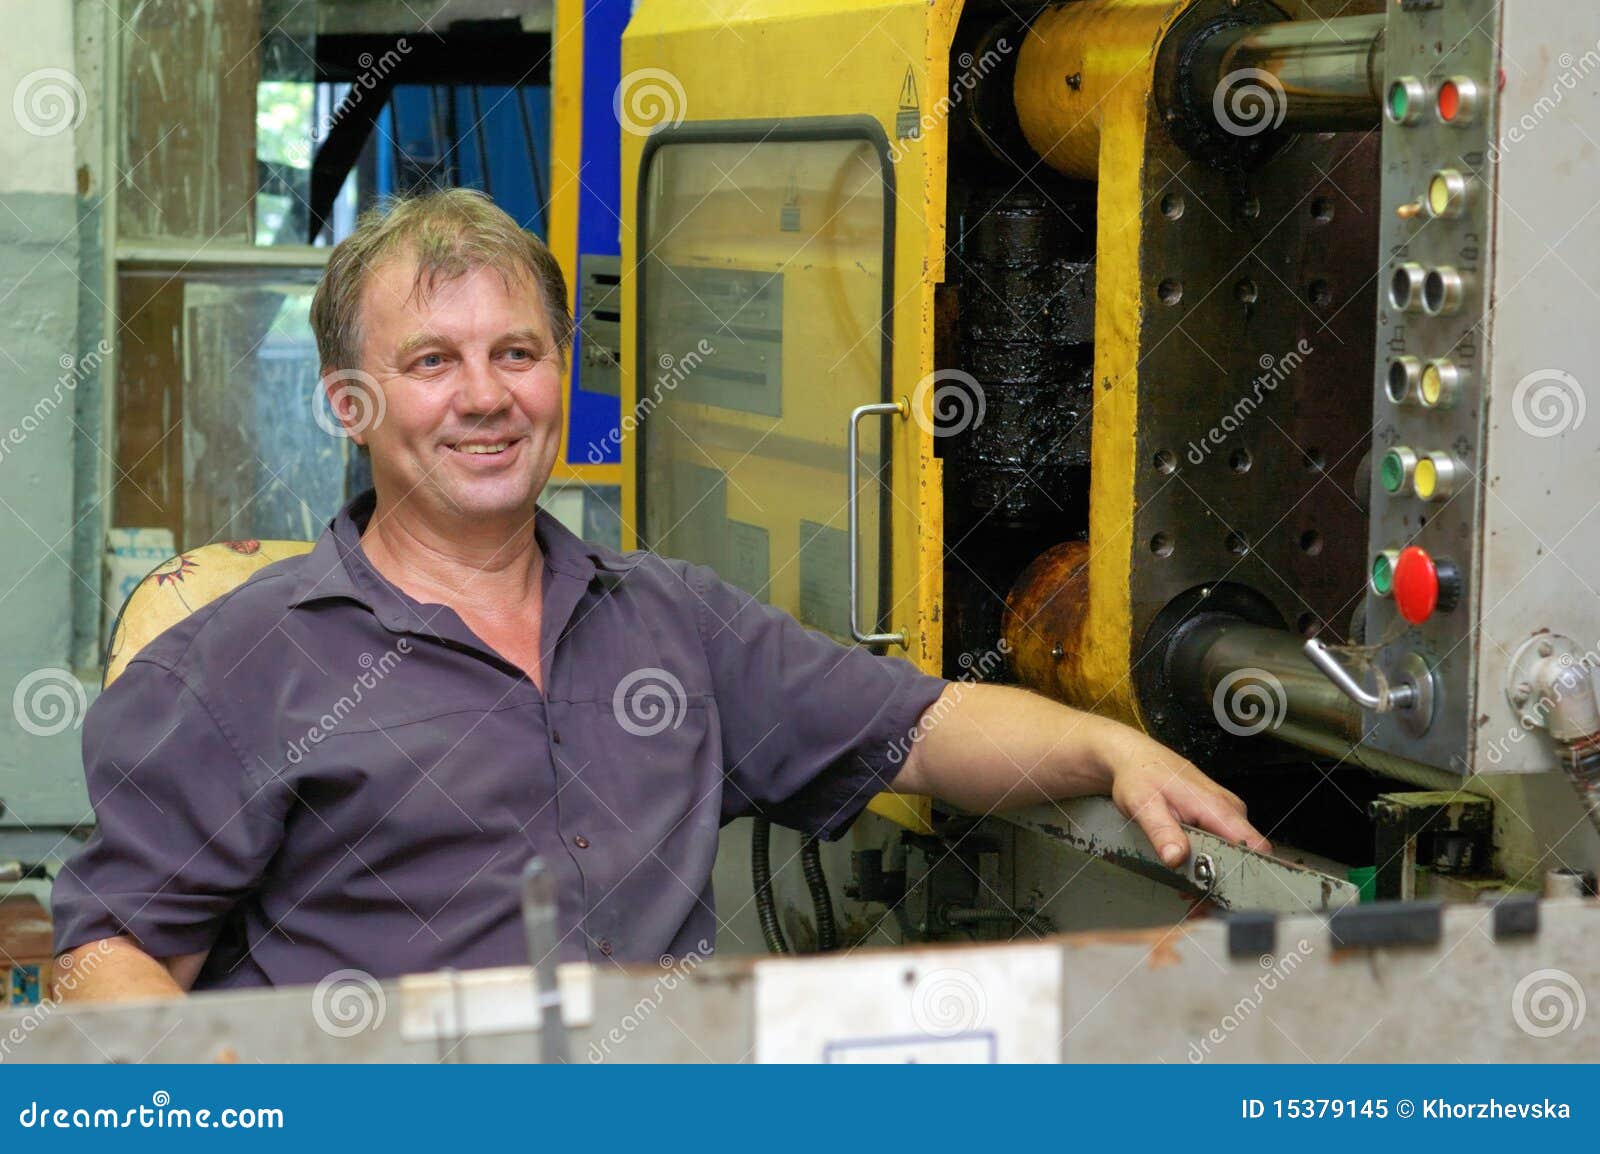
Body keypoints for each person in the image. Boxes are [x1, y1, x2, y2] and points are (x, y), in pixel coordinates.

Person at [52, 189, 1267, 1000]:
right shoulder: (237, 661)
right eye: (432, 362)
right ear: (350, 404)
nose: (484, 396)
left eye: (516, 354)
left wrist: (1109, 746)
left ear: (560, 374)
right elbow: (108, 955)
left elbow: (922, 725)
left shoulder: (671, 620)